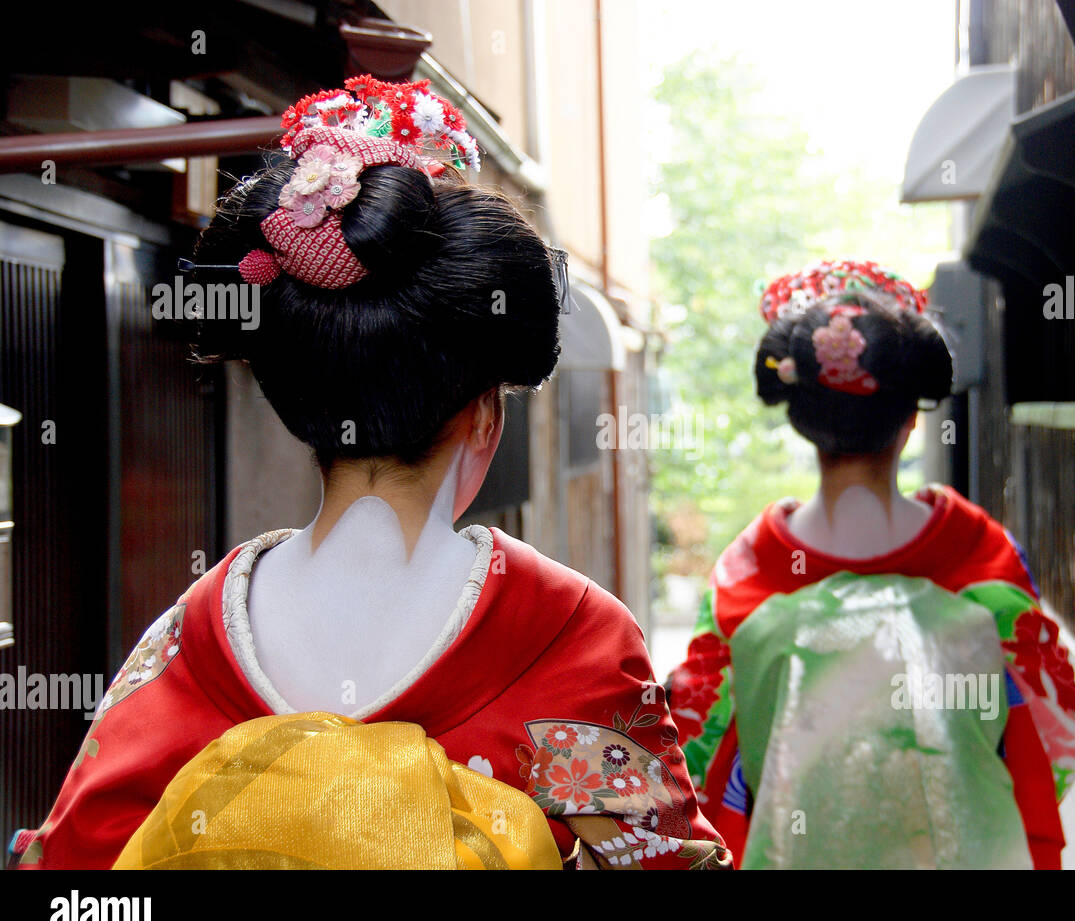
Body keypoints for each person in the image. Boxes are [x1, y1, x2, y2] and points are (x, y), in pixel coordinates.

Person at [13, 76, 728, 871]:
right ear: (485, 414)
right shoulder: (568, 635)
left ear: (295, 403)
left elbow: (73, 872)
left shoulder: (192, 640)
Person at [666, 260, 1075, 869]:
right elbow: (1056, 732)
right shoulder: (978, 552)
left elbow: (698, 749)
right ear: (912, 419)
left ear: (802, 421)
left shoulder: (751, 569)